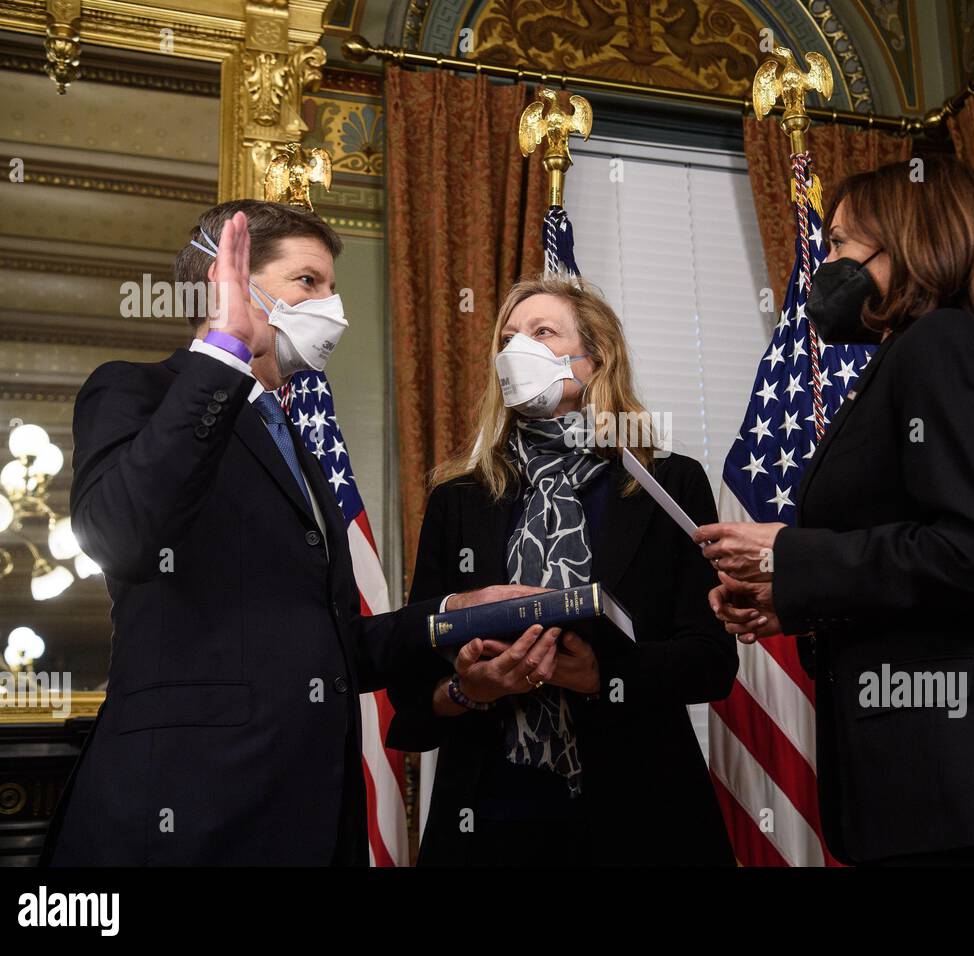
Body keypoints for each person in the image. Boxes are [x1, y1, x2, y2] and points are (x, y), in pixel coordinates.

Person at [697, 157, 974, 866]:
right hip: (932, 791)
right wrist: (796, 602)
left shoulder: (943, 344)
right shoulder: (907, 359)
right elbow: (919, 557)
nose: (824, 264)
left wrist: (792, 554)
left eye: (838, 245)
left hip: (972, 788)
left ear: (911, 240)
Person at [44, 200, 437, 865]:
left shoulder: (300, 451)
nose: (331, 309)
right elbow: (122, 535)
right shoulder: (132, 391)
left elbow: (326, 643)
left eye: (333, 289)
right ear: (227, 283)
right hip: (189, 815)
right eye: (308, 282)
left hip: (311, 818)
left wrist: (454, 618)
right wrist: (225, 350)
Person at [387, 273, 737, 866]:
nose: (515, 347)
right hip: (489, 811)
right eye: (507, 337)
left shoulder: (666, 484)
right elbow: (411, 677)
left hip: (641, 808)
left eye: (540, 332)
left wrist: (603, 674)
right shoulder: (459, 497)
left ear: (595, 361)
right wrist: (468, 689)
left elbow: (711, 662)